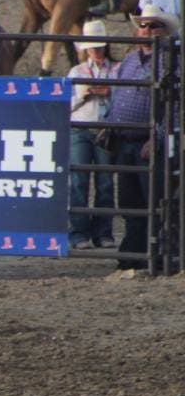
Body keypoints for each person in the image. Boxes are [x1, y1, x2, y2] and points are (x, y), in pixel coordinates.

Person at [105, 5, 175, 274]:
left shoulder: (171, 61)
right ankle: (133, 253)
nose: (147, 30)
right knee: (130, 201)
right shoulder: (131, 59)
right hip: (125, 140)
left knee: (153, 200)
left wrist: (156, 136)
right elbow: (118, 94)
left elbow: (176, 106)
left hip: (148, 142)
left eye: (153, 25)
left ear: (165, 30)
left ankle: (152, 255)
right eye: (144, 26)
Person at [68, 19, 118, 250]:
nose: (97, 51)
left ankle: (101, 233)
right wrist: (83, 95)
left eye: (99, 46)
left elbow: (127, 100)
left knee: (105, 183)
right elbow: (65, 104)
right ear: (86, 49)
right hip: (81, 127)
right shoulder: (76, 72)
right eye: (93, 47)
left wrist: (110, 92)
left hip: (105, 129)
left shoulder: (117, 70)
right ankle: (79, 234)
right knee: (79, 181)